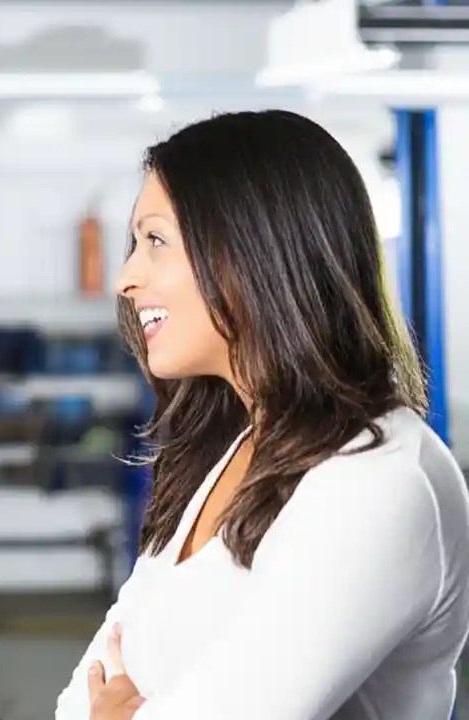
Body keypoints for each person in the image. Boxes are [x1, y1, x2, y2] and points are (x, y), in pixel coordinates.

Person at [57, 110, 469, 719]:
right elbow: (78, 700)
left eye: (155, 241)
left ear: (252, 249)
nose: (126, 278)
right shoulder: (223, 452)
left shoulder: (381, 478)